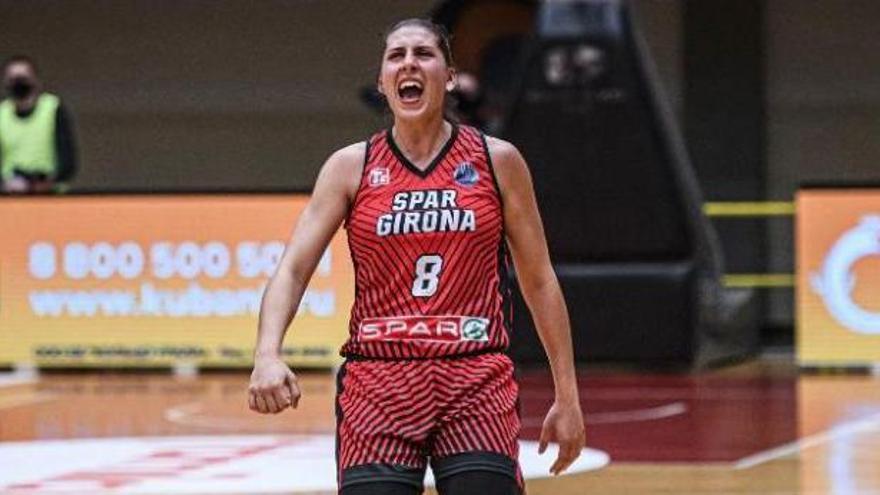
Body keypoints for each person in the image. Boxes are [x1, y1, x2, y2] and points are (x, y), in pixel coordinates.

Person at [248, 18, 585, 495]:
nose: (409, 63)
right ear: (383, 83)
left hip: (474, 377)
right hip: (379, 382)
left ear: (448, 77)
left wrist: (567, 397)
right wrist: (267, 354)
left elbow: (539, 280)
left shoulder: (497, 160)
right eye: (396, 56)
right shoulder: (351, 167)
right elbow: (294, 269)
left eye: (424, 53)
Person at [0, 55, 78, 194]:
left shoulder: (53, 108)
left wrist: (46, 181)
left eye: (23, 79)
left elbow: (68, 159)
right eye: (13, 80)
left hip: (51, 196)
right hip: (10, 197)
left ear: (36, 81)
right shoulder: (2, 113)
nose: (19, 84)